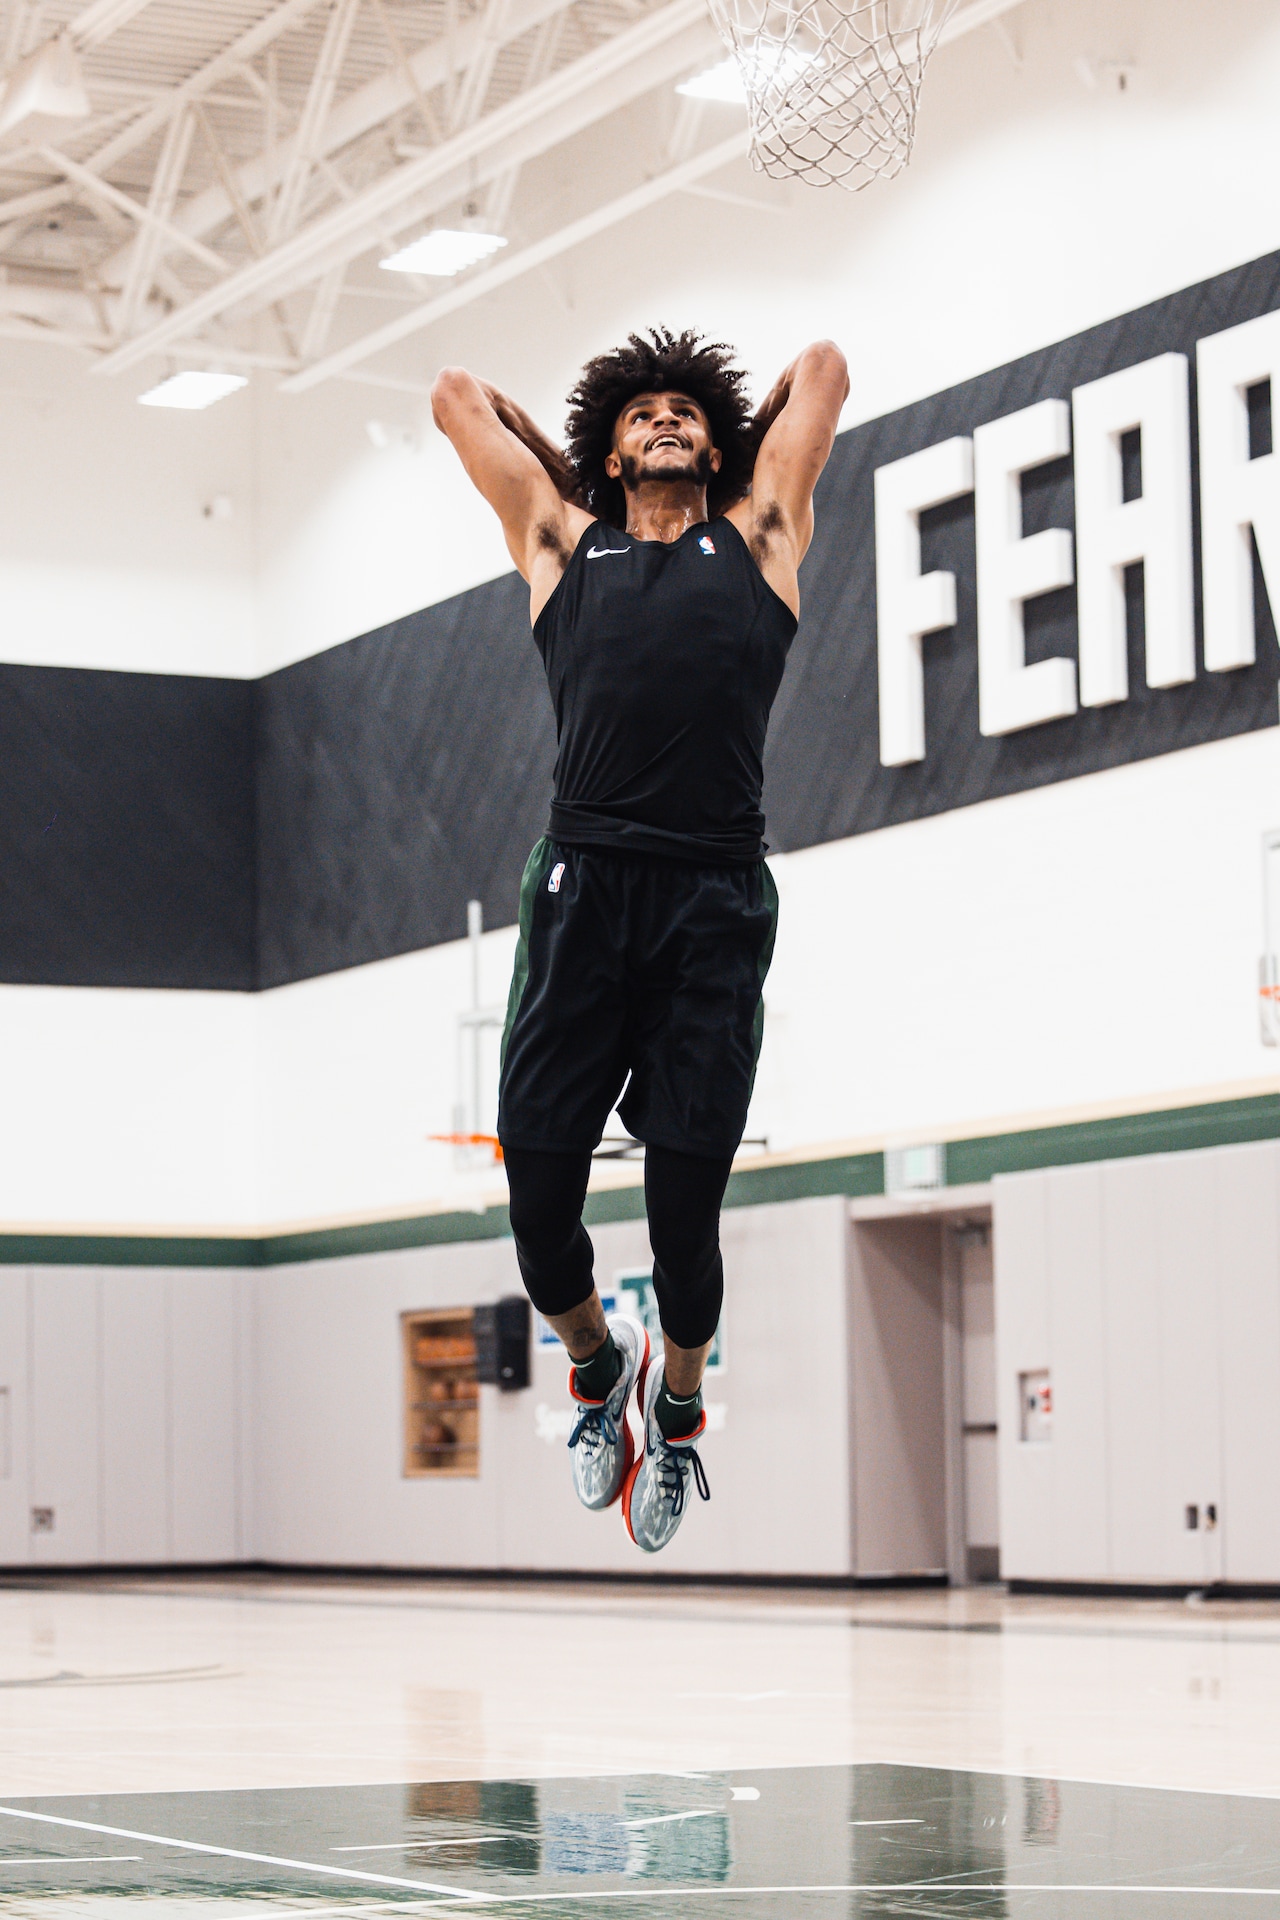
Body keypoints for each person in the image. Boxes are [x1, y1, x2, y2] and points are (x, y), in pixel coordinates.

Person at [431, 326, 848, 1551]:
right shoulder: (562, 542)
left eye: (684, 410)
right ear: (607, 451)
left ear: (716, 444)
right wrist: (553, 450)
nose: (663, 419)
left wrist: (740, 431)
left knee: (682, 1222)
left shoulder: (761, 533)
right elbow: (454, 393)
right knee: (538, 1206)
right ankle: (596, 1371)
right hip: (581, 890)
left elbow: (821, 367)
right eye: (640, 413)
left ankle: (676, 1406)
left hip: (714, 900)